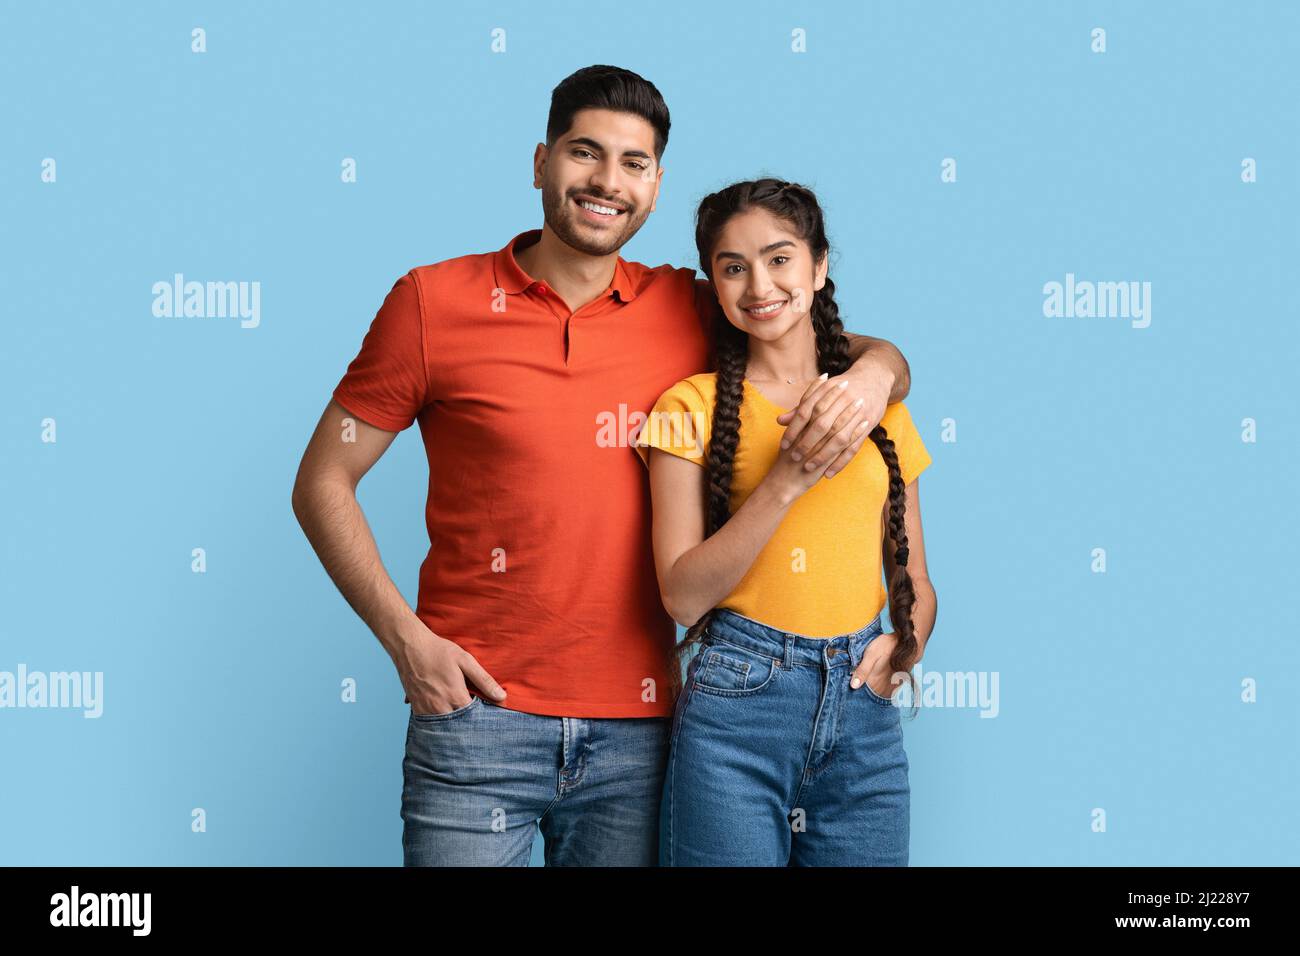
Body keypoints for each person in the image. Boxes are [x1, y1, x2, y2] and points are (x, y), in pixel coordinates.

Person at [291, 66, 912, 867]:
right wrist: (404, 640)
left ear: (655, 187)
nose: (606, 181)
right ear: (543, 161)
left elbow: (807, 330)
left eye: (633, 163)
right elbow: (322, 481)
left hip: (643, 735)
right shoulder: (431, 303)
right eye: (586, 154)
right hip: (478, 724)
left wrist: (876, 372)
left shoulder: (691, 303)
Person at [633, 178, 936, 866]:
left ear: (819, 266)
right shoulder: (689, 405)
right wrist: (787, 479)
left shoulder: (876, 403)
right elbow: (681, 595)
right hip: (737, 706)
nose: (758, 284)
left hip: (863, 714)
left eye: (779, 258)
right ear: (712, 283)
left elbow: (913, 574)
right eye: (732, 267)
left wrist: (907, 645)